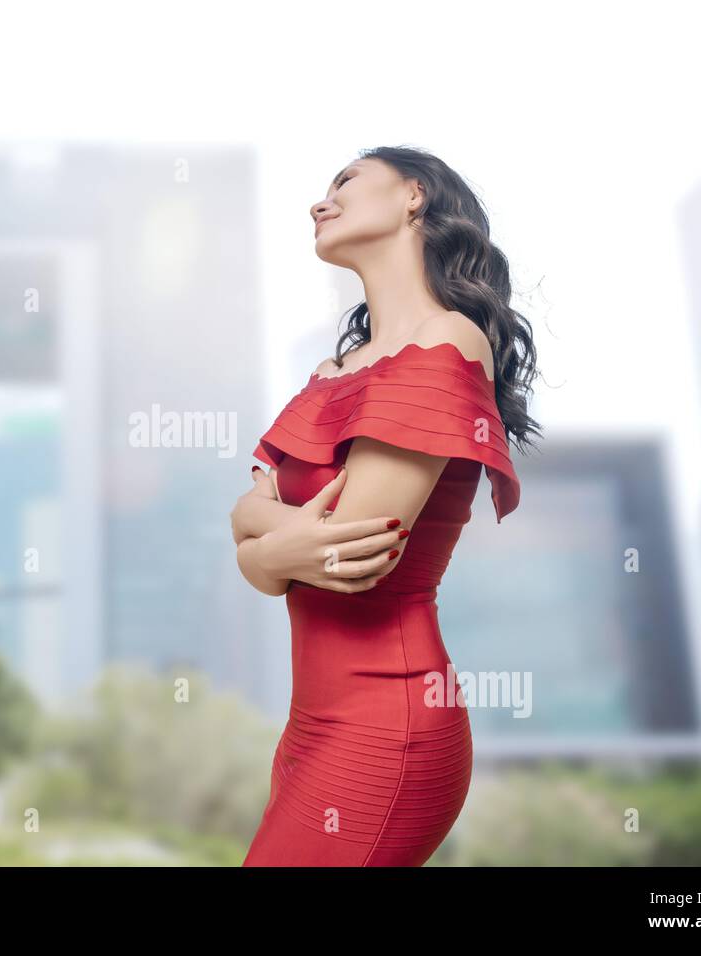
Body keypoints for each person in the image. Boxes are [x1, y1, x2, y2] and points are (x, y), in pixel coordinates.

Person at [232, 146, 541, 866]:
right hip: (310, 723)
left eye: (343, 181)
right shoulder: (331, 373)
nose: (319, 202)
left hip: (389, 721)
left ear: (412, 196)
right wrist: (274, 548)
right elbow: (267, 530)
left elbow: (352, 555)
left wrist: (258, 544)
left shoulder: (449, 340)